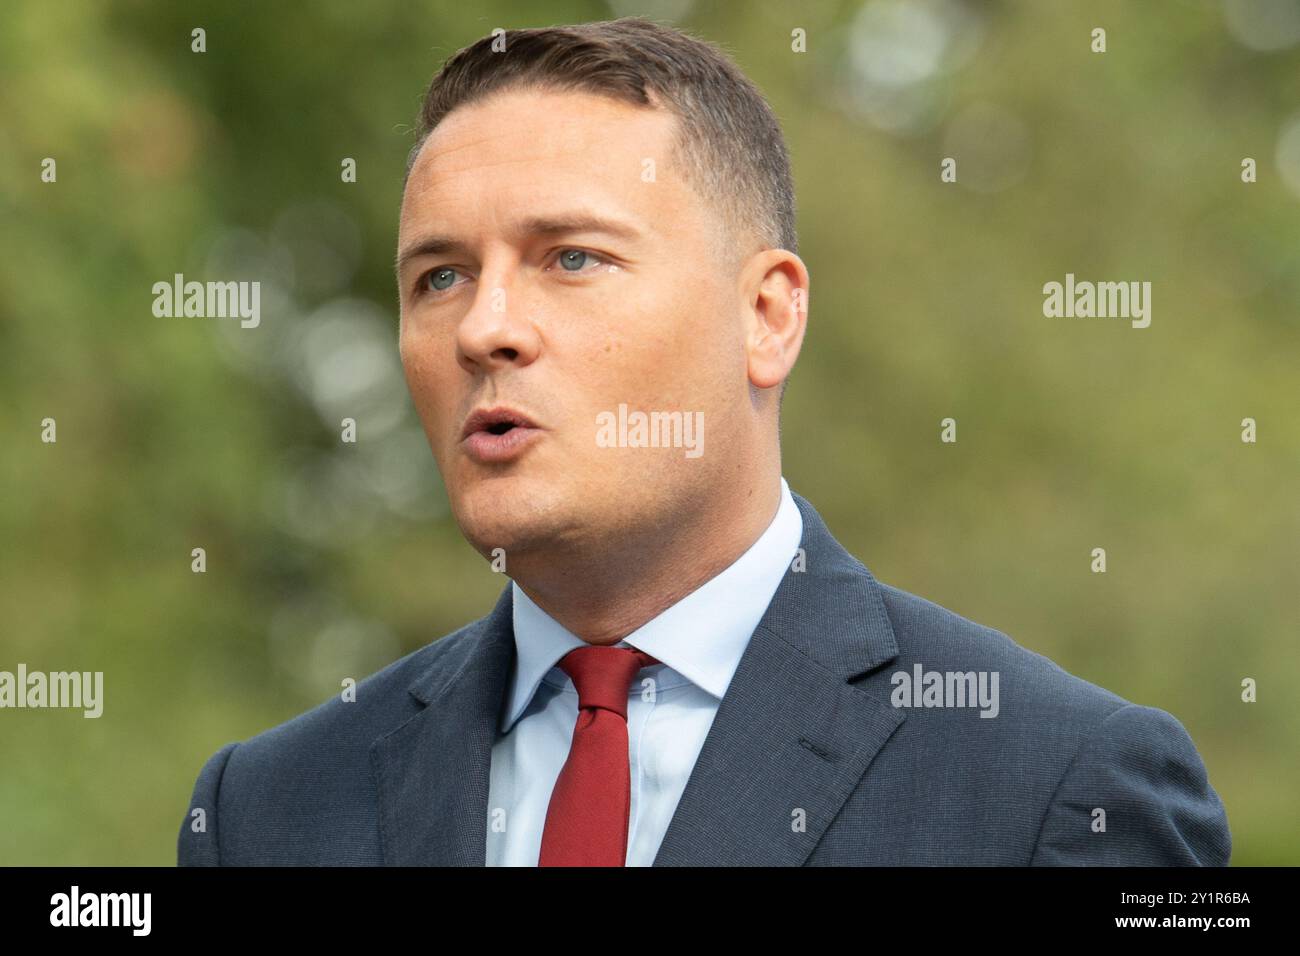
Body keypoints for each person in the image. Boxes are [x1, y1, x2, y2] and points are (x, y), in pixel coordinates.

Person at [178, 17, 1230, 866]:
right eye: (439, 276)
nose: (484, 327)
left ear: (766, 316)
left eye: (572, 257)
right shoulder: (267, 811)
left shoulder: (1054, 785)